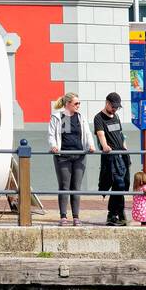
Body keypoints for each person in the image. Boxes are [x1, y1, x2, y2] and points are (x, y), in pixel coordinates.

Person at [48, 91, 95, 226]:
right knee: (64, 186)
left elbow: (87, 133)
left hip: (79, 155)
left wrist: (90, 145)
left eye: (79, 103)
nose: (78, 106)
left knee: (76, 186)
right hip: (63, 156)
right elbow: (51, 135)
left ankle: (76, 216)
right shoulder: (57, 117)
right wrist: (54, 146)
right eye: (76, 103)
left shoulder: (81, 117)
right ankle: (63, 216)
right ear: (67, 104)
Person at [94, 92, 129, 226]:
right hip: (111, 157)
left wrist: (125, 147)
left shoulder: (116, 116)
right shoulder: (99, 118)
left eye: (117, 107)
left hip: (122, 156)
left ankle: (115, 214)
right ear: (107, 103)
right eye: (113, 106)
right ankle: (117, 213)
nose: (115, 109)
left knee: (120, 185)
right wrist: (105, 146)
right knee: (118, 183)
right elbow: (101, 135)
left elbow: (120, 134)